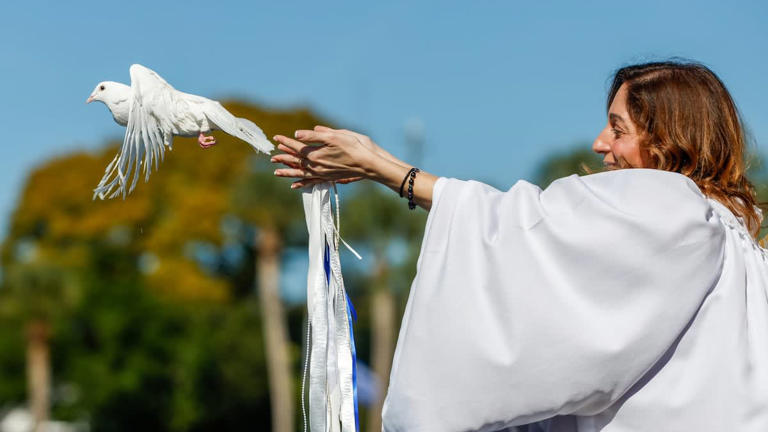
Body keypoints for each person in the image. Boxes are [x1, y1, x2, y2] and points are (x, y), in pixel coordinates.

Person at [271, 61, 768, 431]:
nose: (600, 143)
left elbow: (520, 236)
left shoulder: (672, 206)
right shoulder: (744, 247)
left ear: (668, 139)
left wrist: (387, 168)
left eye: (618, 128)